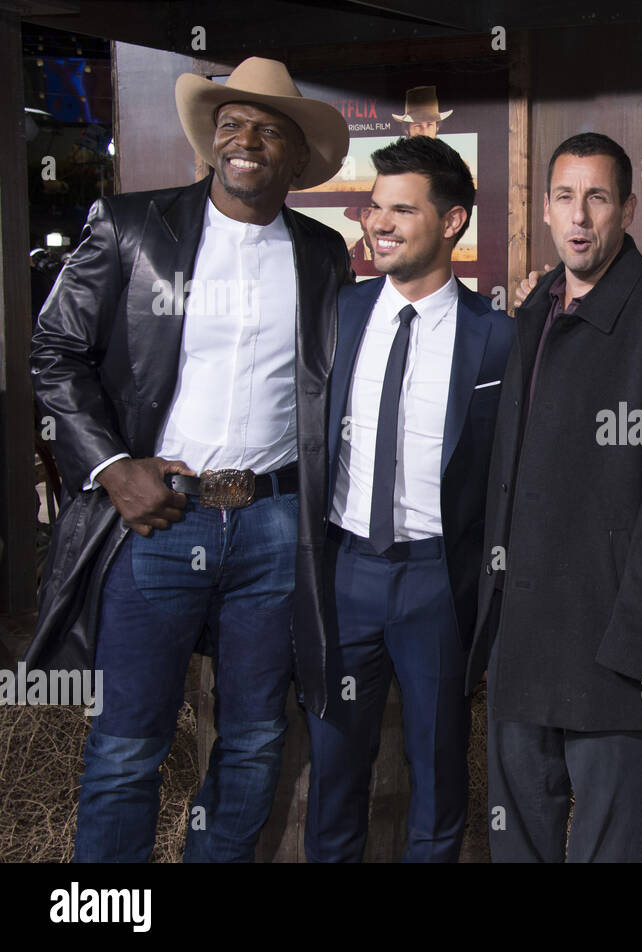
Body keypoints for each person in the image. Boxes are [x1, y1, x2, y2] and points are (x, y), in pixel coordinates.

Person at [27, 56, 351, 861]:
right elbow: (54, 351)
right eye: (232, 125)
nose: (246, 140)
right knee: (128, 745)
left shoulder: (323, 254)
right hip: (158, 518)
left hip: (275, 525)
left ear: (297, 159)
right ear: (212, 143)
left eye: (269, 129)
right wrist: (111, 467)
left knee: (252, 743)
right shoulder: (131, 226)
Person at [465, 132, 642, 862]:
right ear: (544, 208)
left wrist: (634, 652)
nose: (580, 218)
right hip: (522, 643)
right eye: (566, 198)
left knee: (605, 849)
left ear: (628, 209)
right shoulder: (534, 311)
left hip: (612, 652)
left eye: (598, 199)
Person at [304, 136, 512, 862]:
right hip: (344, 575)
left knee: (438, 778)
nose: (378, 224)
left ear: (452, 222)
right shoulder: (338, 314)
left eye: (401, 209)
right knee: (334, 776)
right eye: (374, 208)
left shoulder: (498, 341)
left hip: (437, 584)